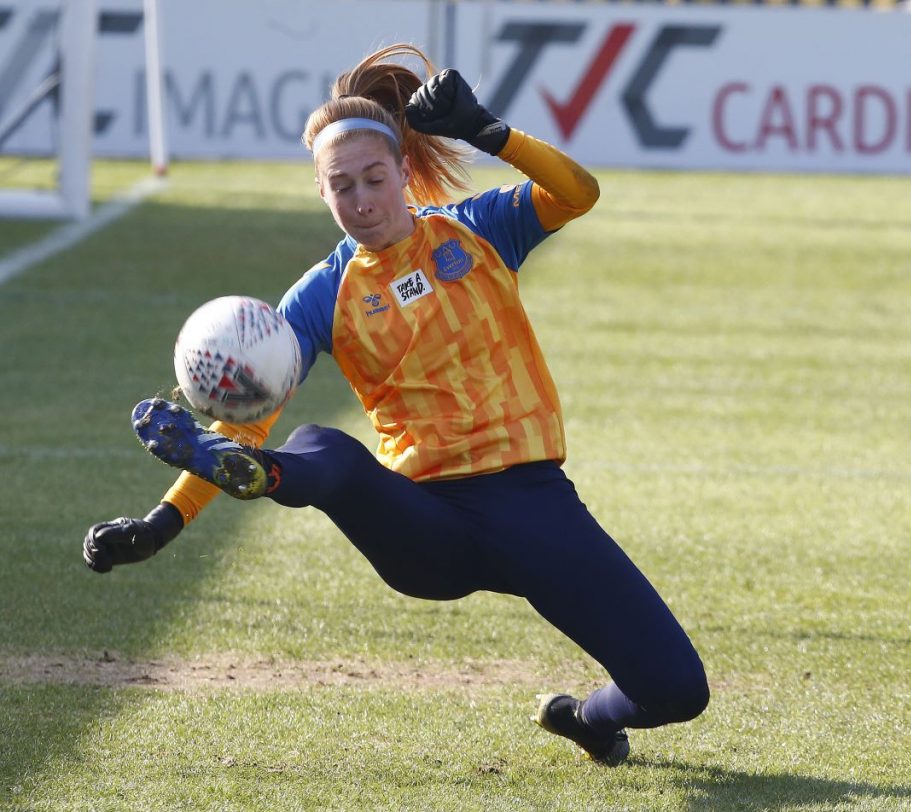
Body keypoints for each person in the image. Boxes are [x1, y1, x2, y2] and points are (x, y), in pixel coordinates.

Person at [83, 44, 709, 767]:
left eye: (374, 179)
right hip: (423, 525)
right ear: (322, 193)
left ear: (404, 171)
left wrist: (490, 133)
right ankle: (266, 476)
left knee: (677, 690)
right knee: (326, 449)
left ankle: (588, 721)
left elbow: (578, 193)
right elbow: (248, 420)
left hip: (532, 505)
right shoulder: (323, 293)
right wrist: (163, 523)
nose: (362, 201)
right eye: (341, 187)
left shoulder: (479, 229)